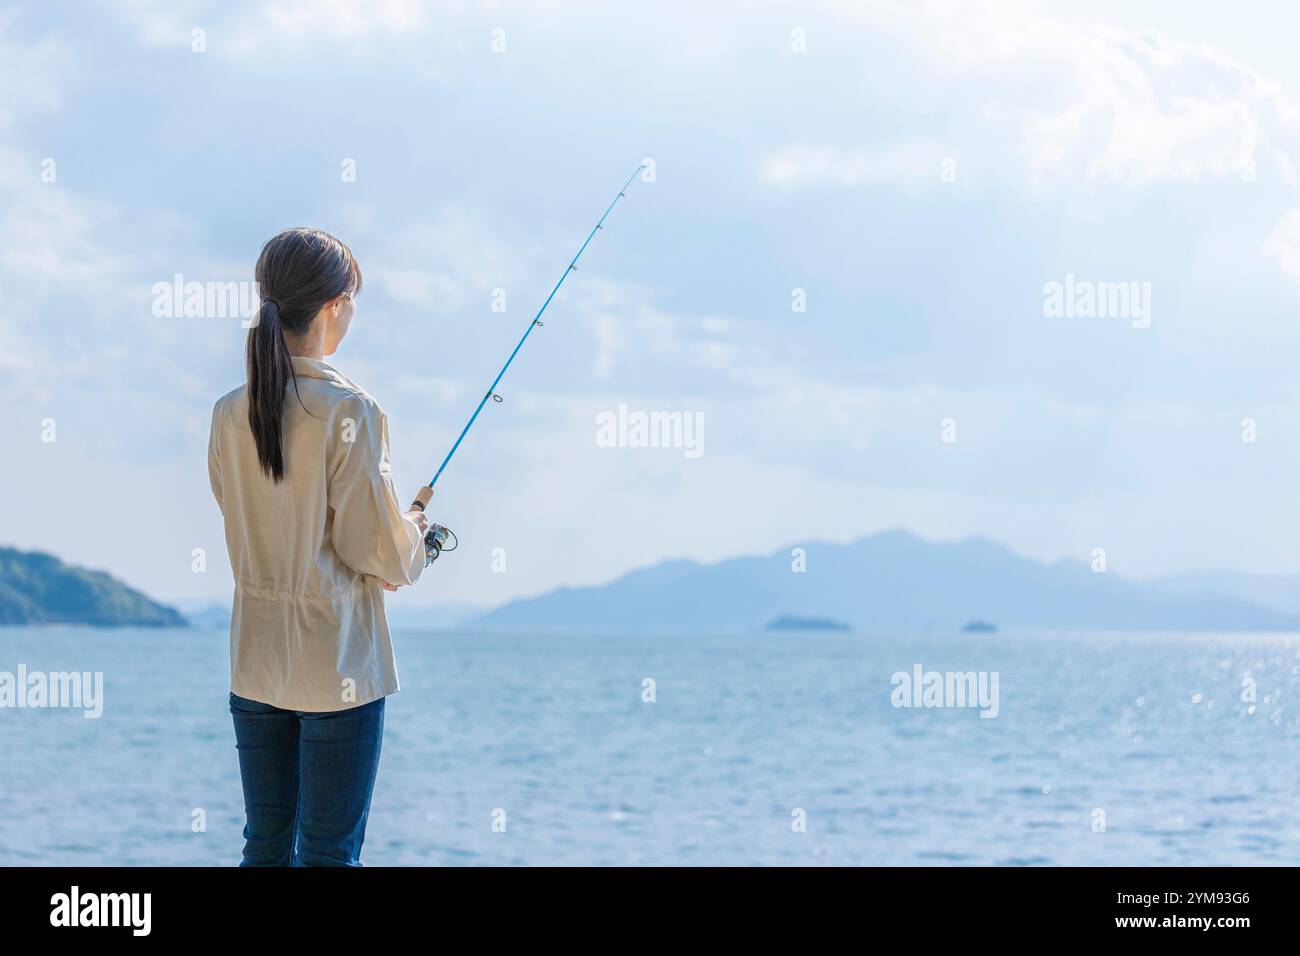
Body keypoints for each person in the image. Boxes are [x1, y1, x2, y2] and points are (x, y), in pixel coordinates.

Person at [207, 227, 427, 866]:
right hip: (338, 667)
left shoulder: (228, 411)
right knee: (329, 855)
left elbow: (246, 517)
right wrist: (414, 531)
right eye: (353, 299)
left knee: (265, 848)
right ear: (336, 305)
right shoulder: (350, 410)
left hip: (255, 661)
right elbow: (378, 552)